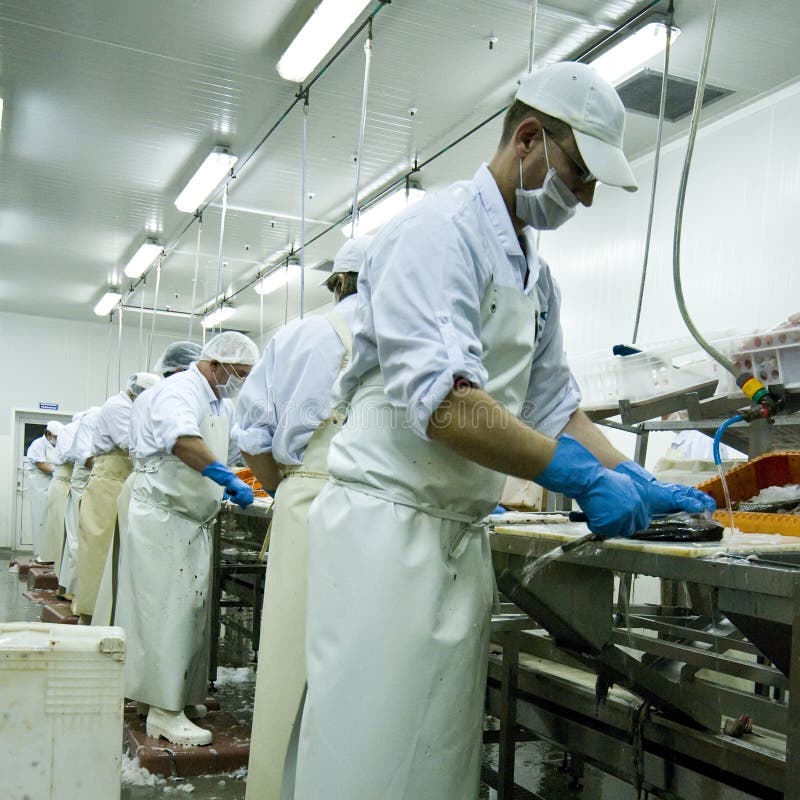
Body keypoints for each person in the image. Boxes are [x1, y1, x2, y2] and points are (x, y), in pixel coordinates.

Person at [294, 62, 716, 799]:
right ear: (528, 138)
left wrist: (633, 473)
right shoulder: (436, 230)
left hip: (455, 537)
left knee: (434, 760)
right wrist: (579, 477)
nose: (583, 197)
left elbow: (557, 409)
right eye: (580, 175)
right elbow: (447, 404)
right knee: (367, 755)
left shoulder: (536, 275)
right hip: (384, 536)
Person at [234, 235, 371, 800]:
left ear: (337, 280)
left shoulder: (295, 336)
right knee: (363, 670)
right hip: (385, 509)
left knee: (293, 659)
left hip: (306, 498)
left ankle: (278, 787)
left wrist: (287, 488)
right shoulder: (411, 334)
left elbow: (251, 438)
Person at [114, 331, 259, 746]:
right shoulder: (178, 390)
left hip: (189, 519)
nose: (241, 381)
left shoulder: (217, 400)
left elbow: (230, 447)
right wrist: (225, 478)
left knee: (187, 612)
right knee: (165, 611)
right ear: (215, 364)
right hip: (163, 515)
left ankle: (171, 695)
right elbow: (182, 442)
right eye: (239, 373)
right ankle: (163, 711)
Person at [92, 341, 203, 628]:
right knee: (145, 587)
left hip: (154, 492)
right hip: (153, 495)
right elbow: (179, 442)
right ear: (179, 370)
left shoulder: (173, 397)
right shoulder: (160, 398)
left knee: (143, 583)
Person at [74, 372, 161, 623]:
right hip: (108, 483)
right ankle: (93, 614)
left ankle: (113, 614)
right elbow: (131, 444)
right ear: (138, 393)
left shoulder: (132, 406)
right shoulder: (118, 407)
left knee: (118, 553)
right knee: (100, 550)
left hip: (122, 483)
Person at [58, 407, 101, 601]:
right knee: (78, 534)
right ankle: (75, 590)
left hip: (96, 481)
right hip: (83, 481)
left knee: (82, 535)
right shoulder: (92, 419)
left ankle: (70, 586)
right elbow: (83, 456)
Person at [42, 412, 83, 568]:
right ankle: (56, 560)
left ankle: (59, 559)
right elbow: (69, 457)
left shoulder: (65, 440)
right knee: (58, 525)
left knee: (62, 526)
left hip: (65, 486)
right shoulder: (65, 441)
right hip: (60, 486)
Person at [25, 421, 63, 562]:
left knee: (52, 518)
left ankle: (52, 554)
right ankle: (41, 553)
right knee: (41, 518)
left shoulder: (57, 444)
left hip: (54, 483)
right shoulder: (37, 444)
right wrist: (57, 472)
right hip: (40, 483)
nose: (57, 439)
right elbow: (40, 464)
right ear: (47, 434)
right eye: (55, 436)